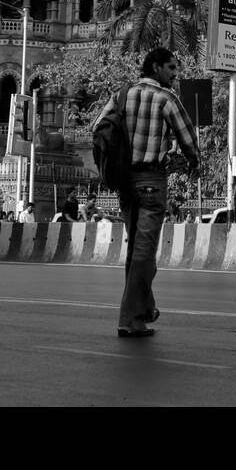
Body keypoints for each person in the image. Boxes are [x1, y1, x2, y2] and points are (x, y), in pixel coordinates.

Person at [94, 47, 199, 338]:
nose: (175, 74)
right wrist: (193, 162)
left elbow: (97, 127)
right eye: (171, 68)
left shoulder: (122, 95)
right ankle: (130, 319)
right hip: (152, 180)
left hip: (125, 183)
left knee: (136, 250)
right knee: (144, 251)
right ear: (156, 67)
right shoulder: (166, 99)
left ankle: (143, 311)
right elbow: (188, 139)